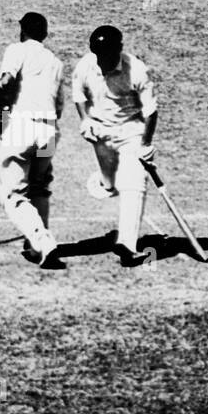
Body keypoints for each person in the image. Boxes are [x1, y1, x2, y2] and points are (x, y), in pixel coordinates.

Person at [71, 25, 157, 266]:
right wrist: (85, 119)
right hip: (100, 132)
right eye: (99, 56)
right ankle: (103, 181)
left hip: (131, 132)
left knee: (134, 185)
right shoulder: (85, 66)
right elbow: (78, 95)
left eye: (107, 56)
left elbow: (151, 111)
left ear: (119, 50)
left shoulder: (137, 70)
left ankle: (127, 245)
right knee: (110, 187)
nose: (103, 62)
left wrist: (145, 145)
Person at [0, 12, 65, 269]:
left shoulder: (16, 50)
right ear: (44, 34)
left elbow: (6, 82)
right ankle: (34, 247)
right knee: (40, 186)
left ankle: (43, 242)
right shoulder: (55, 62)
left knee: (14, 194)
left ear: (23, 31)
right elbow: (60, 106)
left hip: (23, 130)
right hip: (50, 134)